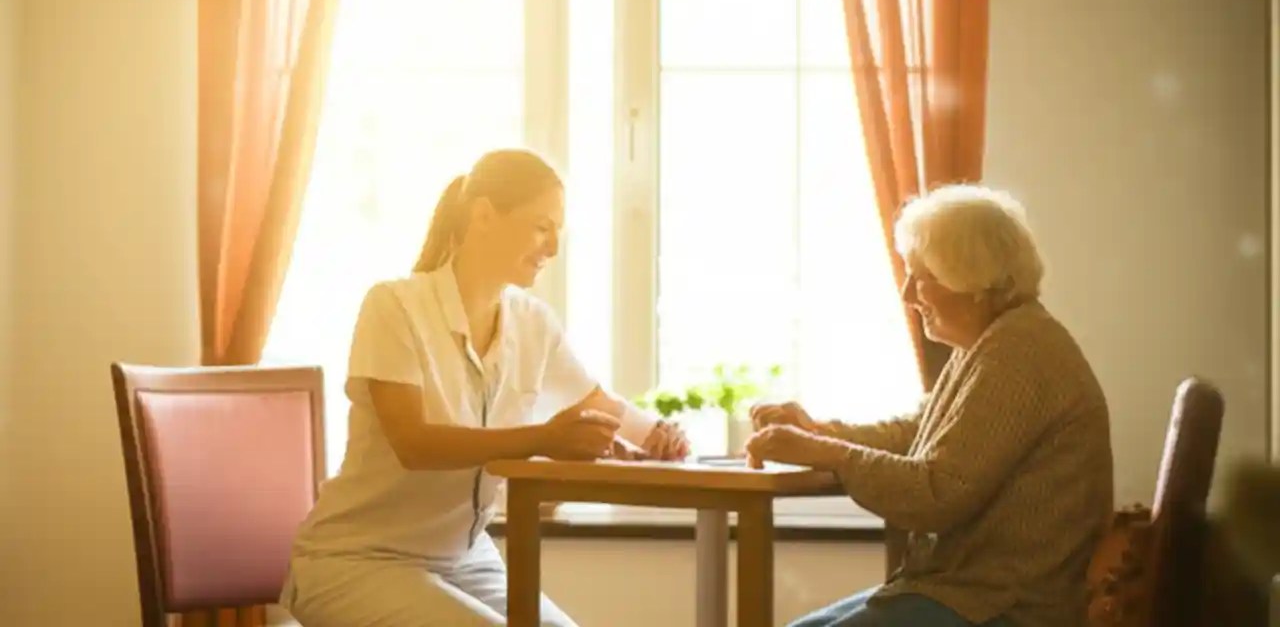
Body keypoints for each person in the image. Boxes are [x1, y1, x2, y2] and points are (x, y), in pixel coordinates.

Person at [281, 148, 690, 627]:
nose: (553, 247)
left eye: (558, 229)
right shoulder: (394, 307)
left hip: (465, 557)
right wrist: (543, 438)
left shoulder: (532, 322)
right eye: (541, 226)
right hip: (357, 561)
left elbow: (597, 402)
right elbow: (413, 443)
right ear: (483, 216)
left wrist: (658, 435)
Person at [747, 184, 1113, 627]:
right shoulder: (995, 340)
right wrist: (822, 433)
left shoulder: (1018, 353)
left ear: (975, 283)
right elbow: (915, 432)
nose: (907, 294)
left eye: (922, 277)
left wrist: (830, 454)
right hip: (968, 595)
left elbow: (936, 494)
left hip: (1003, 608)